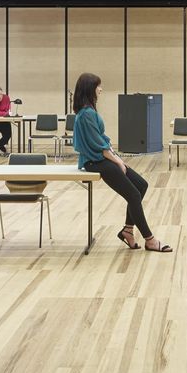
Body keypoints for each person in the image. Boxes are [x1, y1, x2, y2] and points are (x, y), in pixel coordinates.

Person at [72, 72, 172, 252]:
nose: (100, 89)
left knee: (141, 185)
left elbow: (101, 140)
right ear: (89, 89)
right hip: (96, 161)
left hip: (102, 158)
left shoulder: (89, 111)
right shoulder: (86, 114)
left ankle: (127, 230)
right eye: (98, 86)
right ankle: (150, 239)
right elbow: (99, 145)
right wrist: (118, 161)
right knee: (133, 195)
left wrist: (117, 158)